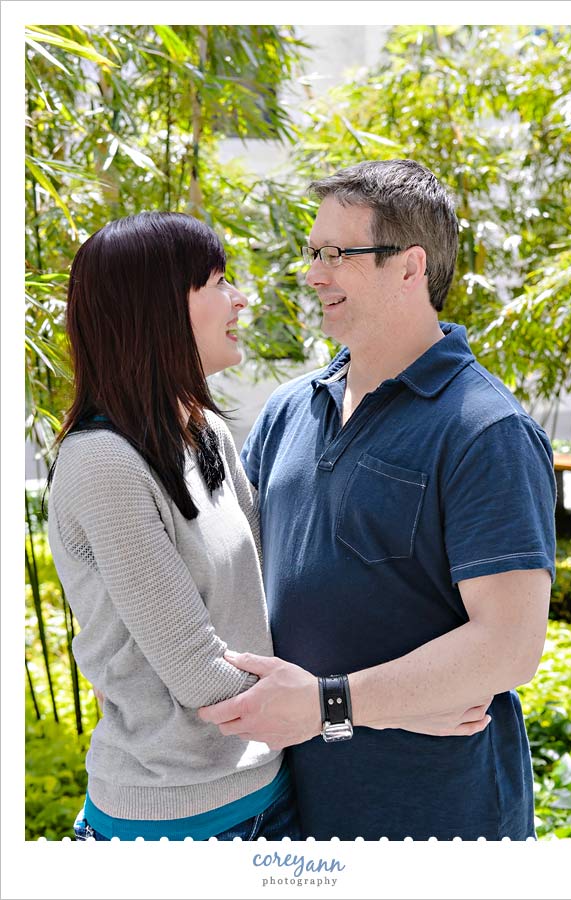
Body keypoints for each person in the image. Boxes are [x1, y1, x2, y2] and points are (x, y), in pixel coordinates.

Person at [198, 159, 557, 841]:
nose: (313, 275)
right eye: (312, 253)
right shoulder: (286, 413)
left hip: (441, 826)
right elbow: (226, 584)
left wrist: (333, 706)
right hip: (290, 817)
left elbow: (510, 648)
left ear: (410, 267)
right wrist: (375, 707)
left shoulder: (486, 430)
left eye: (336, 254)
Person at [46, 211, 300, 841]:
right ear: (156, 309)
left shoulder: (204, 431)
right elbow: (199, 676)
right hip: (173, 822)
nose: (239, 297)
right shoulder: (103, 462)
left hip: (270, 789)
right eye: (216, 281)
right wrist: (343, 706)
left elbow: (269, 600)